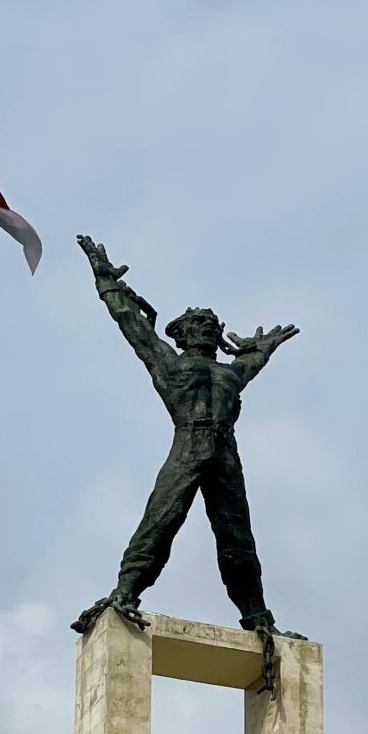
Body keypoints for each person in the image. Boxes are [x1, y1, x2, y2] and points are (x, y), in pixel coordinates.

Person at [72, 235, 299, 640]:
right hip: (188, 442)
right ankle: (126, 592)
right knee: (161, 520)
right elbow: (131, 322)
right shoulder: (169, 362)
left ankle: (258, 617)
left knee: (237, 537)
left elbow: (251, 360)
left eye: (211, 325)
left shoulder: (229, 373)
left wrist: (263, 347)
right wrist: (105, 278)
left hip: (226, 451)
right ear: (182, 334)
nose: (207, 329)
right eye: (199, 324)